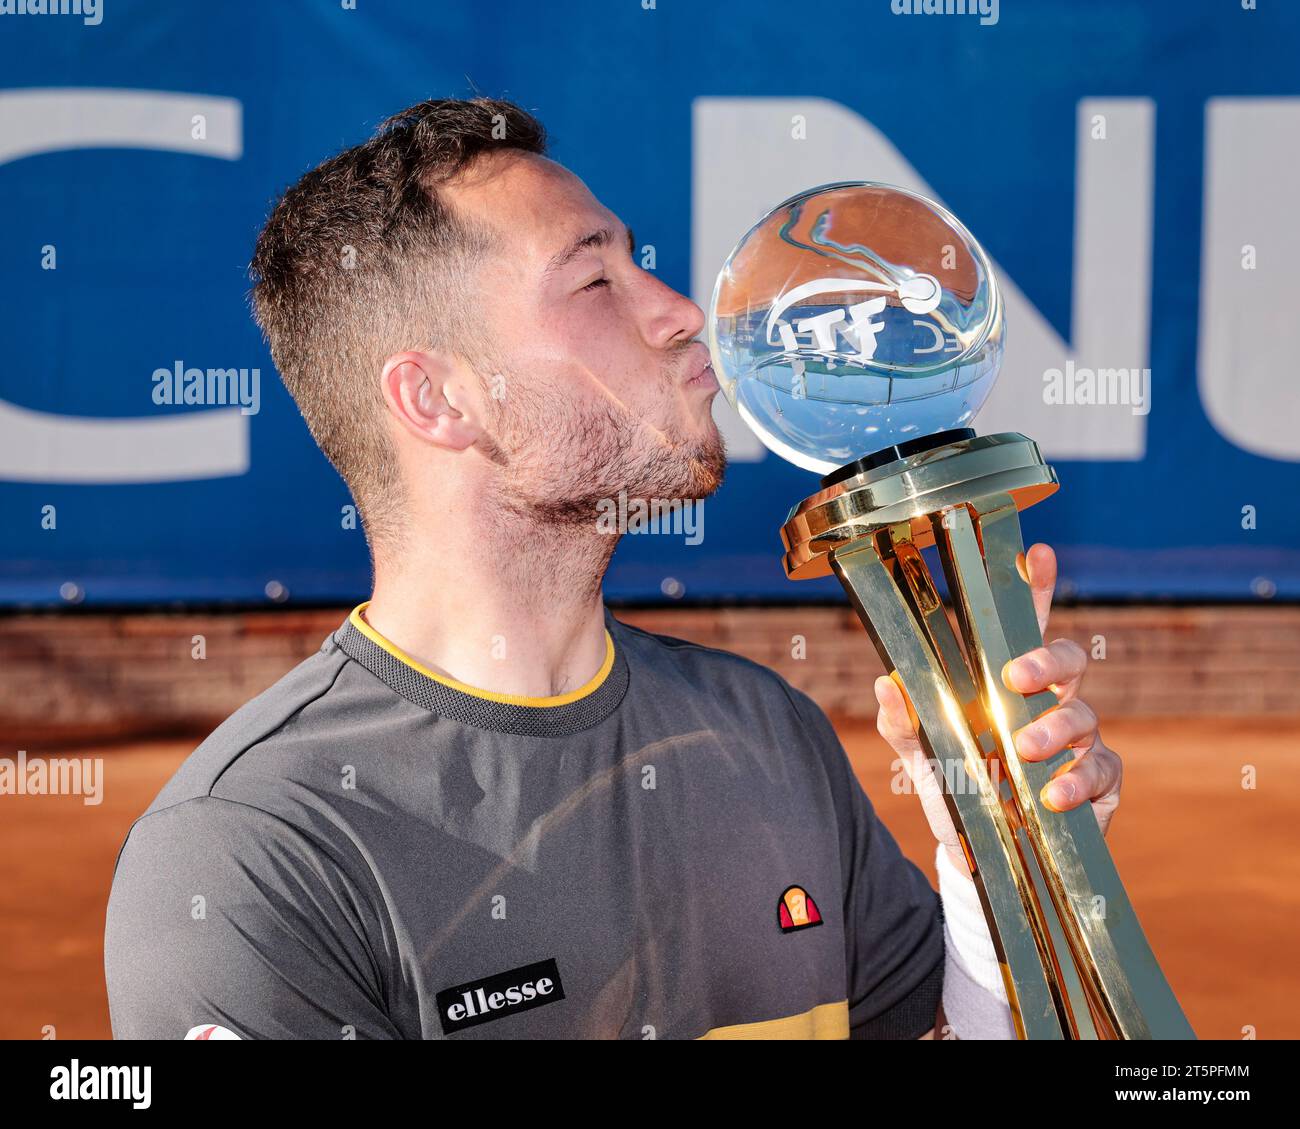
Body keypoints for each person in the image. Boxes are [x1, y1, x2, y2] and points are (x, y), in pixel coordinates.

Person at [103, 97, 1122, 1040]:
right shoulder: (248, 853)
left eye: (637, 263)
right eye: (594, 279)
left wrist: (1001, 874)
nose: (679, 312)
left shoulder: (771, 732)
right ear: (438, 400)